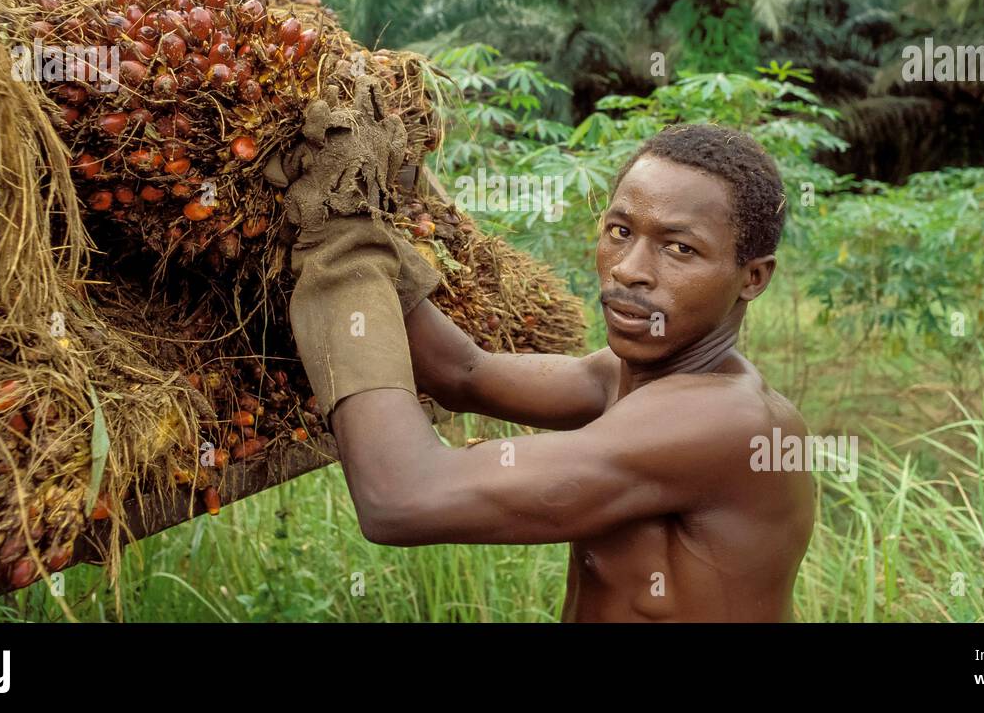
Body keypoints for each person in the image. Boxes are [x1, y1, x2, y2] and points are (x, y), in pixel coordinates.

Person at [264, 78, 814, 622]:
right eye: (620, 231)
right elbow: (463, 372)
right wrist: (369, 204)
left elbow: (402, 500)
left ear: (753, 276)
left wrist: (341, 258)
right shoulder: (619, 376)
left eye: (679, 247)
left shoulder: (729, 422)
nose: (629, 270)